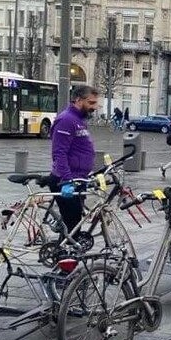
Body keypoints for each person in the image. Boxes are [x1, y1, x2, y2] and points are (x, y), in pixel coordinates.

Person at [50, 85, 99, 235]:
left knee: (74, 225)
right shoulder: (66, 120)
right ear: (78, 100)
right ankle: (65, 256)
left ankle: (70, 252)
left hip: (78, 179)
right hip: (67, 181)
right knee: (72, 229)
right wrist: (66, 181)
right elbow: (59, 153)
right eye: (91, 103)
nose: (94, 107)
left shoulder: (78, 120)